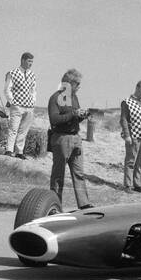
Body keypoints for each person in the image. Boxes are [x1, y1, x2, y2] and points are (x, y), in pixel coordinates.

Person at [46, 68, 93, 209]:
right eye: (77, 84)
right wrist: (73, 114)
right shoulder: (55, 98)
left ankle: (84, 204)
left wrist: (82, 116)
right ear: (69, 83)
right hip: (61, 139)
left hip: (75, 138)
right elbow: (54, 119)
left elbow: (73, 119)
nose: (79, 87)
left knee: (79, 173)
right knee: (58, 175)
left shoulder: (74, 98)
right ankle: (54, 205)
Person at [0, 51, 37, 159]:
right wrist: (13, 102)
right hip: (17, 106)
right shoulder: (13, 73)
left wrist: (33, 102)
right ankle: (9, 150)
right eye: (29, 61)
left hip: (29, 107)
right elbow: (7, 89)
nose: (30, 63)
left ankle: (19, 152)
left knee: (23, 130)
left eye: (32, 62)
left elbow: (33, 90)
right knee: (13, 128)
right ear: (23, 60)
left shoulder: (32, 74)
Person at [119, 79, 141, 192]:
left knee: (140, 161)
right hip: (133, 136)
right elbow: (123, 119)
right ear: (137, 88)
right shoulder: (127, 102)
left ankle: (137, 184)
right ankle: (127, 185)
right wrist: (127, 135)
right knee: (130, 161)